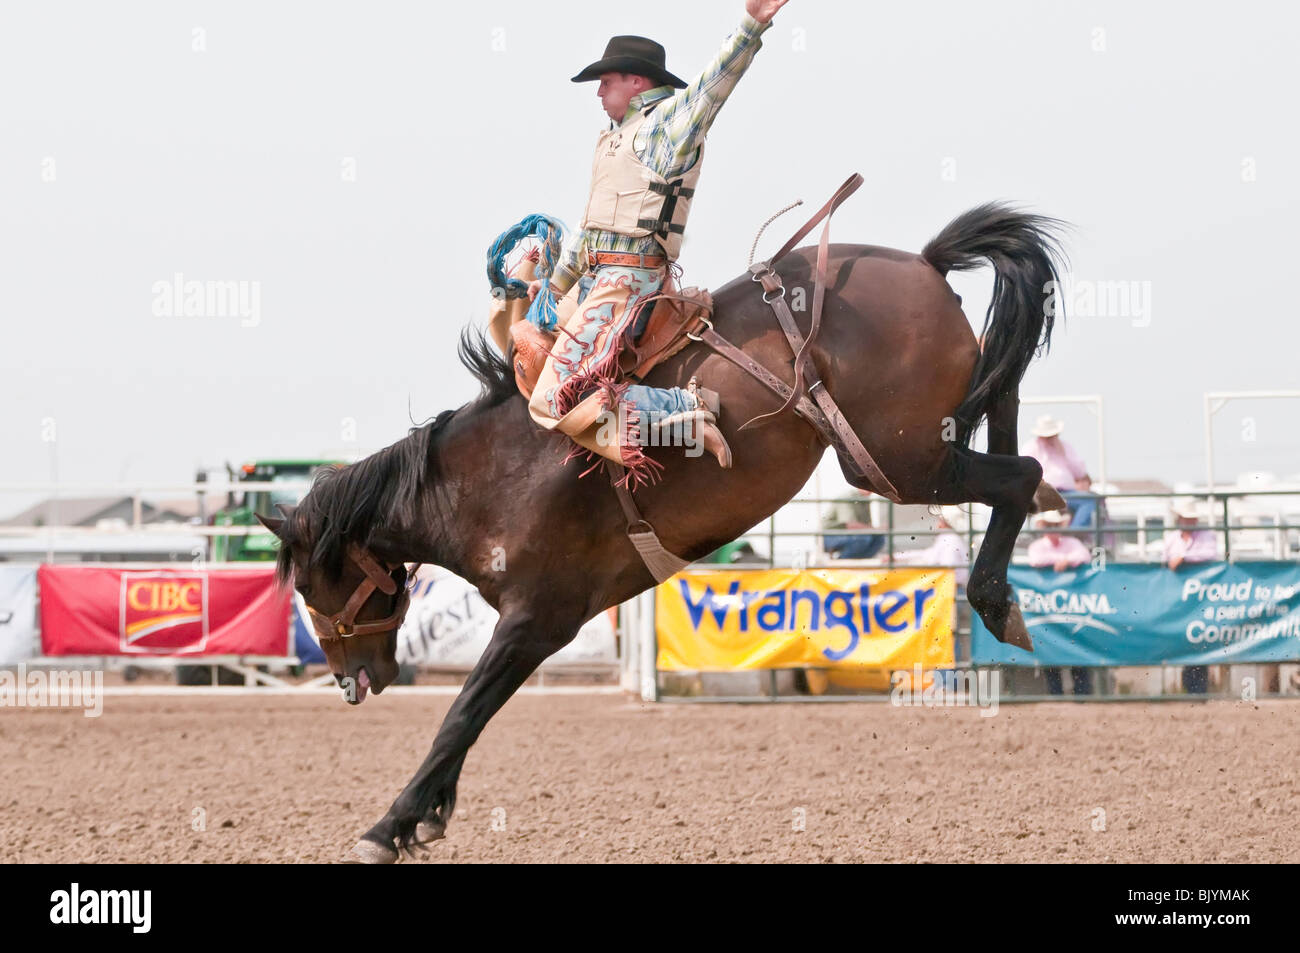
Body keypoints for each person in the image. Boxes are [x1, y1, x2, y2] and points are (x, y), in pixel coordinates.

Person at [523, 1, 791, 486]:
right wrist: (553, 291)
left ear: (638, 82)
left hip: (629, 281)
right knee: (525, 350)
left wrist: (752, 24)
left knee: (552, 397)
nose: (599, 90)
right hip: (597, 278)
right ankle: (674, 430)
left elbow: (714, 87)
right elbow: (588, 234)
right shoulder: (611, 140)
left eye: (607, 80)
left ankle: (684, 409)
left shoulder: (668, 125)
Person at [1027, 509, 1094, 696]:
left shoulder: (1072, 543)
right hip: (1053, 605)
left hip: (1070, 604)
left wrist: (1064, 560)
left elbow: (1085, 556)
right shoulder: (1038, 546)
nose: (1053, 529)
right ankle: (1056, 694)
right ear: (1043, 528)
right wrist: (1063, 560)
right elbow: (1035, 560)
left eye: (1055, 526)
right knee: (1051, 651)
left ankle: (1082, 694)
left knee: (1077, 649)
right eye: (1049, 526)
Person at [1164, 499, 1218, 694]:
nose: (1188, 522)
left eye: (1190, 519)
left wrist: (1184, 558)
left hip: (1201, 596)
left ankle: (1198, 688)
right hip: (1181, 596)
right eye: (1185, 518)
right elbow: (1165, 560)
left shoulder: (1207, 536)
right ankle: (1191, 687)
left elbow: (1210, 554)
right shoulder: (1172, 538)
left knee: (1198, 637)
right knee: (1186, 637)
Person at [1020, 415, 1098, 528]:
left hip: (1067, 493)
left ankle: (1073, 534)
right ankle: (1044, 535)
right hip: (1041, 492)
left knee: (1089, 501)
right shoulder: (1031, 447)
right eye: (1046, 436)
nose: (1049, 438)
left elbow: (1080, 473)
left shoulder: (1065, 447)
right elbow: (1024, 472)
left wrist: (1063, 453)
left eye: (1052, 435)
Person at [892, 506, 970, 583]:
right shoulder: (950, 538)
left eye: (940, 520)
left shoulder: (949, 539)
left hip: (950, 588)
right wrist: (897, 556)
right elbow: (927, 554)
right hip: (951, 586)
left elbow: (947, 565)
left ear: (944, 522)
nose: (938, 524)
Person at [821, 488, 885, 560]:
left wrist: (877, 530)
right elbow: (850, 525)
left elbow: (866, 525)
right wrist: (876, 529)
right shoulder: (847, 497)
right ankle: (842, 563)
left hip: (846, 534)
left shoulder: (865, 499)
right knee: (862, 538)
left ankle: (859, 563)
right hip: (828, 536)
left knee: (879, 538)